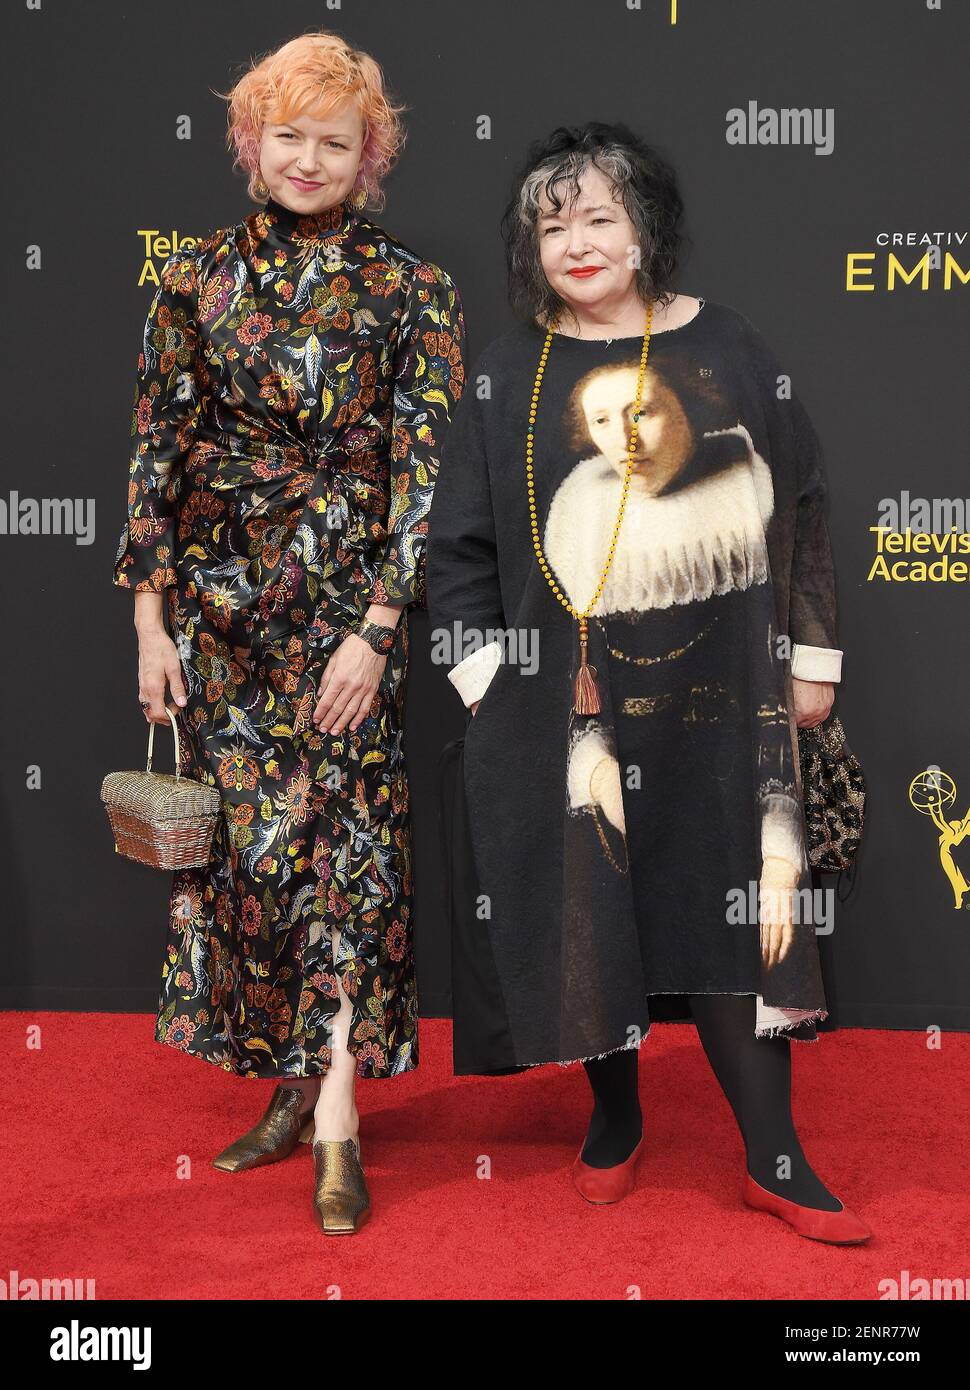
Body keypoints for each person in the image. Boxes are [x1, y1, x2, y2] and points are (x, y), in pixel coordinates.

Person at [427, 121, 870, 1244]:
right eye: (552, 222)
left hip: (725, 708)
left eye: (598, 216)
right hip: (568, 708)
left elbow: (805, 497)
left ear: (644, 228)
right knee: (591, 912)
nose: (575, 242)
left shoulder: (726, 342)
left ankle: (774, 1155)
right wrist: (487, 677)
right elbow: (457, 549)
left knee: (735, 919)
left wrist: (810, 655)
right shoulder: (504, 372)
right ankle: (614, 1121)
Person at [112, 30, 465, 1235]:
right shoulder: (192, 279)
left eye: (335, 140)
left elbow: (427, 476)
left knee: (348, 860)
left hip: (345, 622)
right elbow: (154, 452)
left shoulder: (415, 289)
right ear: (247, 142)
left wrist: (378, 628)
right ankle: (287, 1082)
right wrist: (152, 622)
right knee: (256, 868)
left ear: (370, 157)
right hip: (219, 622)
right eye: (287, 135)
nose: (308, 159)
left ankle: (336, 1122)